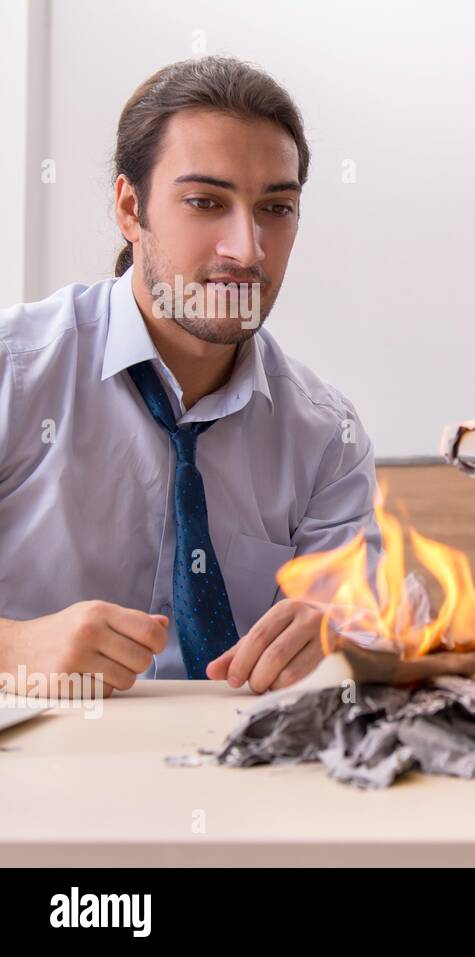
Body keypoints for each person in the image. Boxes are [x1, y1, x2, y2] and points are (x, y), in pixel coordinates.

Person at [0, 57, 377, 695]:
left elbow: (359, 628)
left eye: (276, 208)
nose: (248, 249)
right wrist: (12, 649)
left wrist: (339, 638)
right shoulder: (16, 376)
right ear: (130, 209)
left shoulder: (327, 438)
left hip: (243, 774)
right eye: (206, 202)